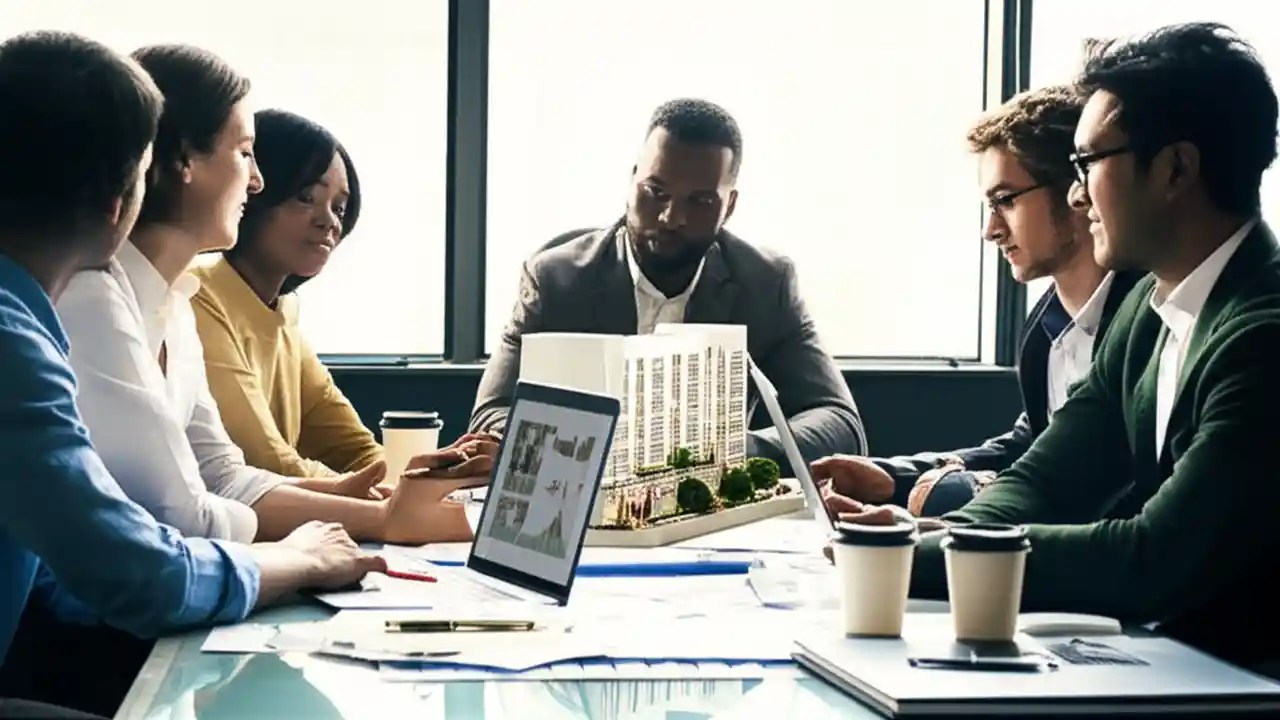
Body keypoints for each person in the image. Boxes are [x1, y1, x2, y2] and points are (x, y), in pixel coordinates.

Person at [830, 22, 1280, 669]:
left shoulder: (1261, 337)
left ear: (1176, 168)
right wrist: (939, 538)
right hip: (1175, 668)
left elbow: (1151, 559)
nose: (1077, 193)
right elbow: (1048, 476)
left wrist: (905, 554)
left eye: (1090, 163)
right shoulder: (1150, 313)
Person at [0, 30, 382, 718]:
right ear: (123, 194)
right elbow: (140, 572)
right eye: (244, 154)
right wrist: (297, 562)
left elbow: (67, 572)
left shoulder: (45, 317)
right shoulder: (16, 340)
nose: (257, 180)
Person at [54, 47, 485, 546]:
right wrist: (380, 522)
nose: (256, 180)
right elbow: (179, 514)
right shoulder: (93, 302)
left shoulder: (173, 303)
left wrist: (362, 496)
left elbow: (224, 477)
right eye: (243, 153)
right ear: (181, 160)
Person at [472, 98, 866, 472]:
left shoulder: (764, 284)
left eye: (700, 202)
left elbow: (841, 423)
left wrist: (730, 450)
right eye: (655, 192)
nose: (670, 216)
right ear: (631, 181)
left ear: (729, 206)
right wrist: (585, 447)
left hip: (712, 519)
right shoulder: (555, 280)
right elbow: (490, 416)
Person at [818, 85, 1141, 518]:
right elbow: (1031, 448)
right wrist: (897, 481)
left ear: (1075, 189)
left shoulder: (1152, 318)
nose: (991, 229)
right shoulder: (1045, 327)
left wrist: (948, 508)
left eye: (1005, 201)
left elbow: (1111, 496)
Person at [189, 109, 485, 494]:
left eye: (339, 208)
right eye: (306, 197)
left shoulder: (283, 309)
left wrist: (432, 476)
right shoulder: (199, 293)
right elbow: (265, 460)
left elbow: (348, 444)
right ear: (256, 192)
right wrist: (386, 492)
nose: (328, 221)